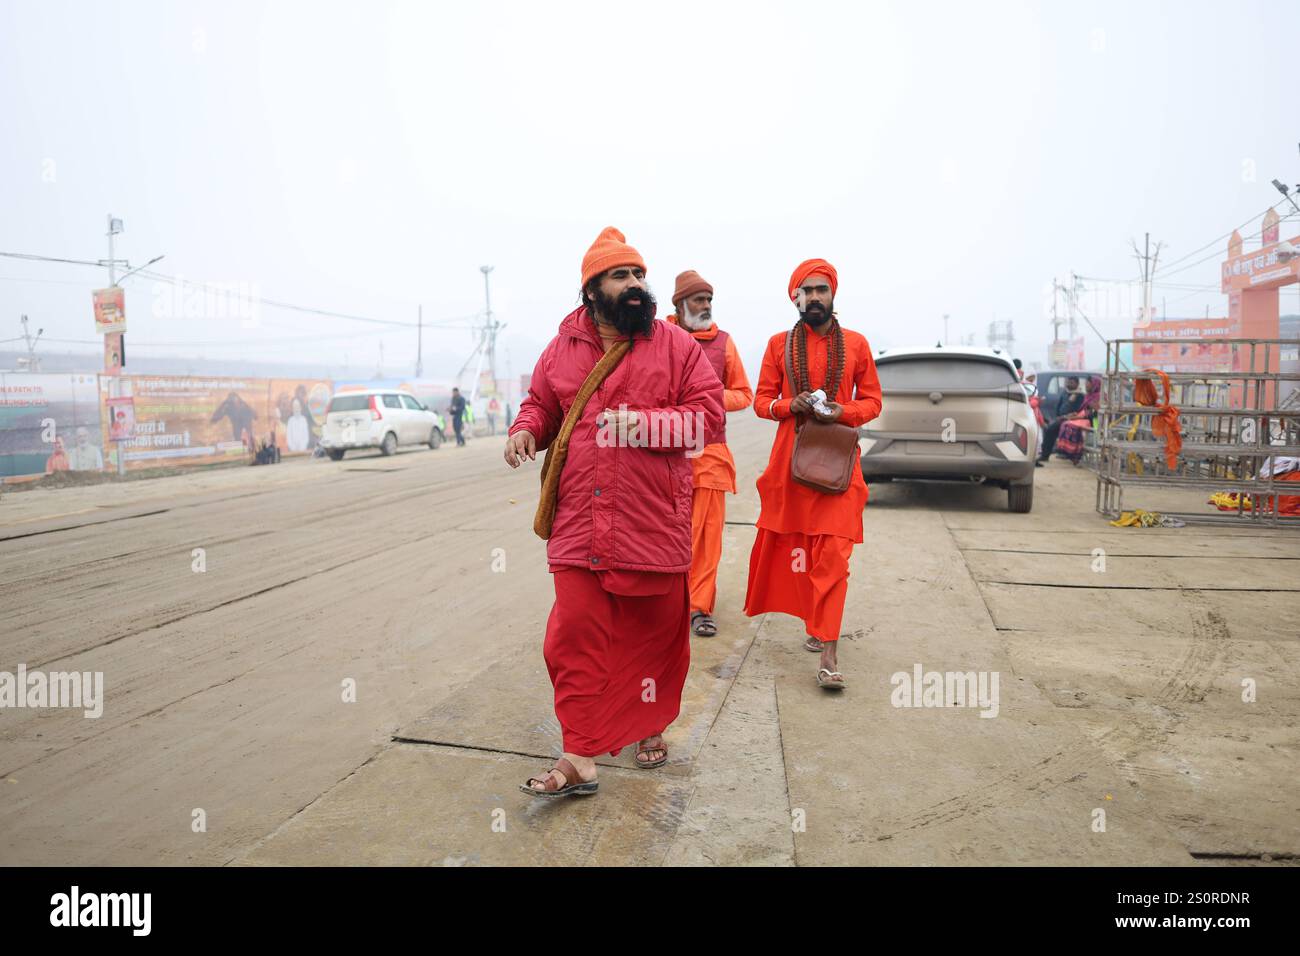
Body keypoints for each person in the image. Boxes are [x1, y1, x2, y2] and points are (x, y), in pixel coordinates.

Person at [505, 227, 723, 797]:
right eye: (621, 276)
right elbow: (542, 405)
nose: (635, 285)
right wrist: (526, 430)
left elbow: (708, 421)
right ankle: (578, 756)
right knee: (572, 636)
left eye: (639, 275)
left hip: (651, 521)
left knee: (649, 639)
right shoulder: (561, 348)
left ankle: (647, 722)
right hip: (580, 521)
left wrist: (645, 426)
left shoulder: (676, 346)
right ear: (592, 288)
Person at [744, 259, 883, 690]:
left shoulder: (857, 344)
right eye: (808, 291)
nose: (816, 297)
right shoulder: (776, 345)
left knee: (835, 555)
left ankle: (829, 651)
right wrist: (791, 405)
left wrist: (846, 410)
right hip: (791, 465)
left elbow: (874, 402)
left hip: (839, 466)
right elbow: (761, 402)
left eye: (823, 289)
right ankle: (815, 621)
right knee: (800, 552)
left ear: (833, 294)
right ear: (796, 298)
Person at [665, 270, 752, 638]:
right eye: (698, 300)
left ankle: (700, 607)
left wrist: (709, 397)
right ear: (679, 304)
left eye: (708, 300)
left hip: (711, 454)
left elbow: (744, 395)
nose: (705, 306)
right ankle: (670, 607)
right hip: (665, 454)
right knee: (668, 535)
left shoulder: (724, 343)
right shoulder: (659, 339)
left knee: (707, 535)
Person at [1054, 375, 1101, 464]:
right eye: (1086, 382)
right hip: (1084, 419)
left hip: (1094, 422)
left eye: (1088, 383)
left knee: (1070, 426)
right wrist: (1075, 415)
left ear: (1095, 385)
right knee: (1065, 423)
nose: (1086, 385)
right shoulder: (1088, 396)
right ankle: (1068, 453)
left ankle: (1075, 454)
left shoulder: (1099, 397)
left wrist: (1076, 416)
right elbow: (1083, 410)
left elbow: (1092, 413)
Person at [1037, 376, 1084, 464]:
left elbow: (1078, 411)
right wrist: (1058, 417)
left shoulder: (1079, 395)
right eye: (1068, 382)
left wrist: (1071, 401)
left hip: (1071, 420)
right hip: (1062, 418)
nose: (1069, 384)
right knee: (1048, 428)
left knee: (1051, 429)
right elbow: (1058, 408)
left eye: (1072, 382)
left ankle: (1045, 455)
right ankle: (1045, 454)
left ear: (1077, 384)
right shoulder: (1064, 393)